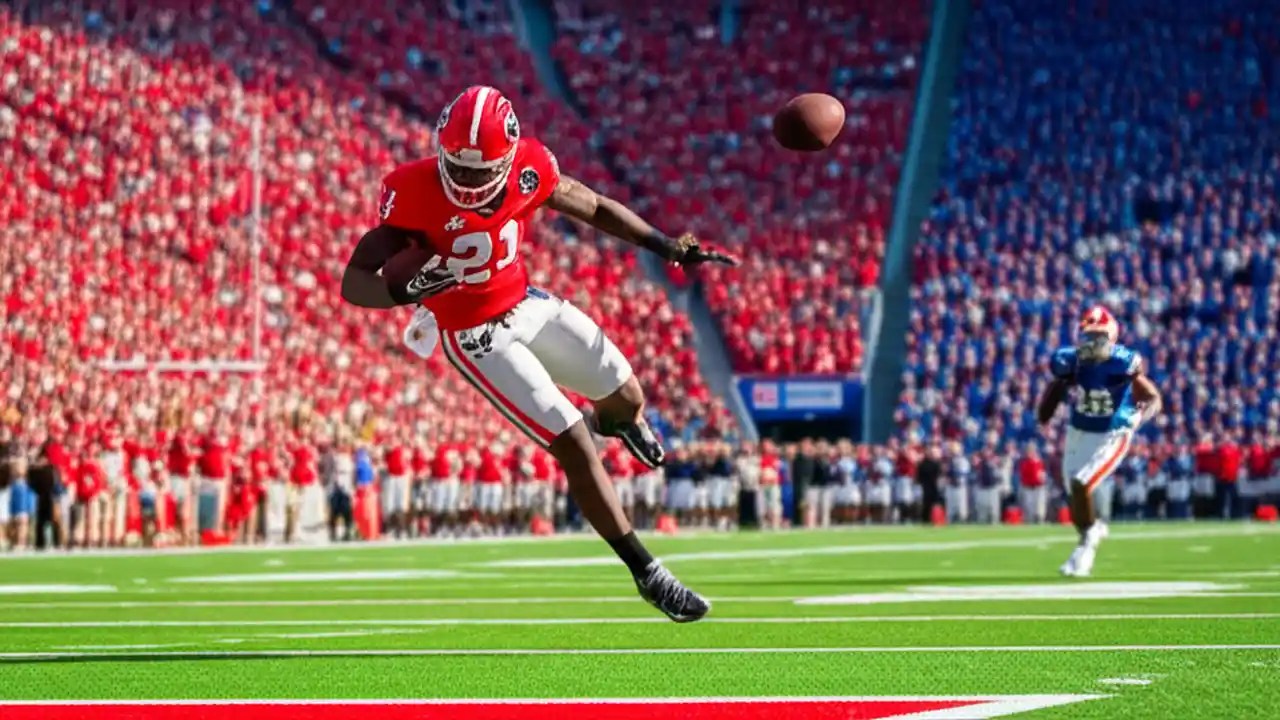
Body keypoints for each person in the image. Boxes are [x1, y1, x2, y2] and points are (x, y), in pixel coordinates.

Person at [340, 86, 734, 621]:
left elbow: (593, 206)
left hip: (525, 301)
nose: (470, 180)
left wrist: (664, 245)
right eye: (460, 166)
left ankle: (619, 421)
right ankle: (646, 571)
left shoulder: (528, 168)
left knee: (627, 395)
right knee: (573, 440)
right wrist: (401, 292)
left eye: (482, 171)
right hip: (475, 335)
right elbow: (355, 279)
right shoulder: (411, 191)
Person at [1037, 306, 1162, 577]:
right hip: (1078, 431)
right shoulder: (1071, 361)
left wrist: (1139, 417)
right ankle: (1089, 533)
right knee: (1074, 494)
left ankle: (1087, 545)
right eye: (1088, 336)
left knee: (1083, 482)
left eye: (1098, 336)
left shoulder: (1121, 362)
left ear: (1112, 336)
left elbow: (1152, 396)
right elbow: (1056, 388)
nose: (1093, 343)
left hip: (1112, 433)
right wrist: (1047, 407)